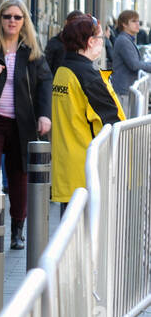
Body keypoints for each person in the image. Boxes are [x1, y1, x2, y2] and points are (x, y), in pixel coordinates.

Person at [0, 0, 52, 251]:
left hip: (22, 124)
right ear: (0, 18)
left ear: (24, 20)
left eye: (18, 17)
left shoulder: (32, 50)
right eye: (8, 17)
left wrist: (44, 114)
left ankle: (18, 229)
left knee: (19, 176)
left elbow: (45, 82)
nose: (12, 21)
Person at [51, 14, 125, 208]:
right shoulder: (88, 77)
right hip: (89, 173)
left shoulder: (63, 70)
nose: (103, 43)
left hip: (68, 169)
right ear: (91, 41)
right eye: (101, 38)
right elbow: (114, 124)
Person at [109, 10, 151, 112]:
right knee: (125, 122)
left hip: (126, 89)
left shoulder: (127, 39)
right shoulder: (124, 40)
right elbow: (134, 64)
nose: (138, 24)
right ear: (124, 24)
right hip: (124, 90)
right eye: (134, 21)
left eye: (138, 21)